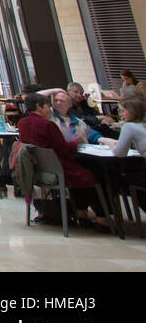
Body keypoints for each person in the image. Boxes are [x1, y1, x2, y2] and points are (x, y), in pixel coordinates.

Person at [17, 93, 112, 232]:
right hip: (59, 168)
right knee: (95, 173)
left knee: (86, 169)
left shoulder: (22, 123)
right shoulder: (48, 124)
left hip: (39, 168)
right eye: (49, 105)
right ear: (39, 107)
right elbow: (64, 150)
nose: (51, 108)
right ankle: (102, 218)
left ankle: (82, 214)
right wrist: (76, 142)